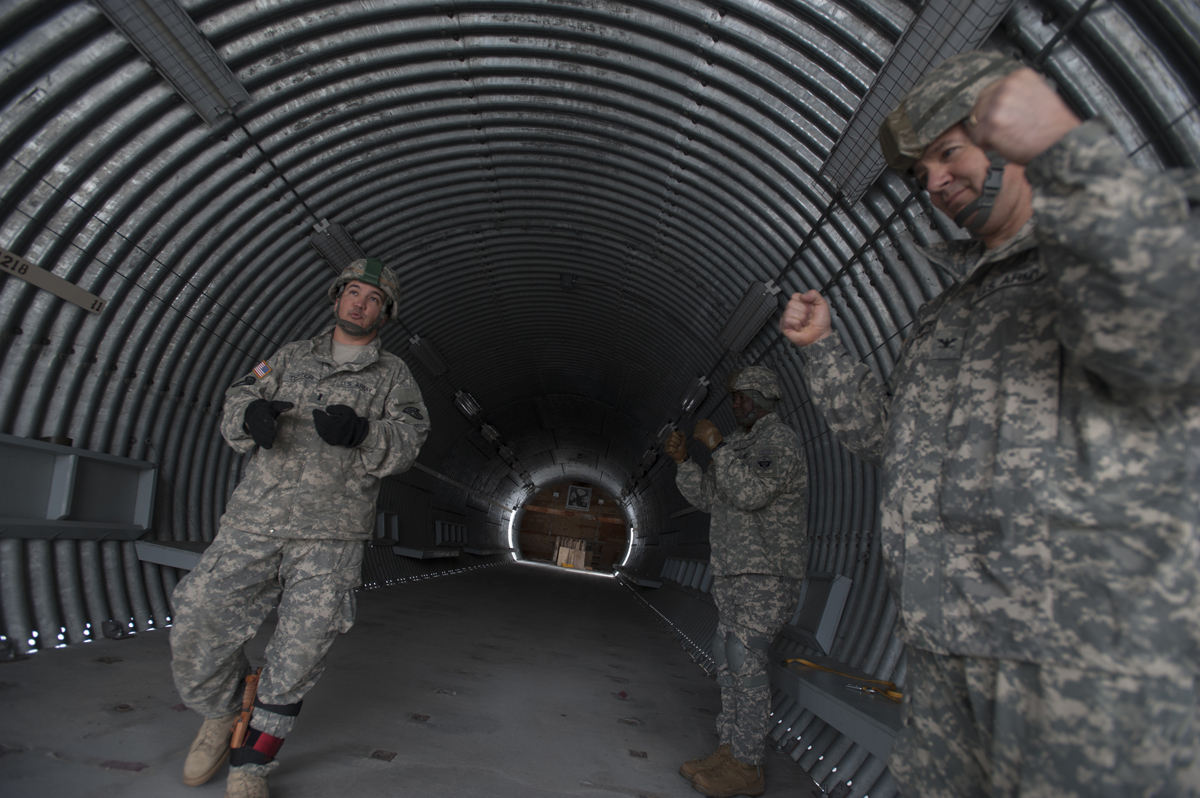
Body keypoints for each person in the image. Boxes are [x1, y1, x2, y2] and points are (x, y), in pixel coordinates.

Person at [780, 50, 1200, 797]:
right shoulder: (948, 312)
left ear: (1008, 135)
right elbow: (884, 442)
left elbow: (1159, 332)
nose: (935, 184)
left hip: (1083, 675)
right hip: (944, 654)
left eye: (948, 153)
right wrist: (825, 353)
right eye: (921, 175)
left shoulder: (1108, 251)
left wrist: (1067, 151)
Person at [169, 258, 431, 798]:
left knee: (300, 652)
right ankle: (221, 714)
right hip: (256, 519)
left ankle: (250, 767)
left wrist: (364, 432)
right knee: (198, 616)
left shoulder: (393, 376)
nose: (359, 303)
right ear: (337, 297)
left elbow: (409, 442)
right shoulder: (288, 358)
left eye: (372, 298)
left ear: (386, 312)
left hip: (330, 535)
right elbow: (240, 393)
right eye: (352, 292)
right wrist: (249, 418)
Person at [664, 365, 809, 798]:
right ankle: (729, 749)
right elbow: (710, 497)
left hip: (767, 572)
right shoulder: (742, 444)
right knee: (727, 661)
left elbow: (751, 494)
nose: (738, 403)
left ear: (767, 396)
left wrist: (718, 447)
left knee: (746, 661)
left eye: (745, 395)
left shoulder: (779, 442)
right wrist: (685, 462)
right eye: (735, 396)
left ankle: (748, 765)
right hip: (733, 570)